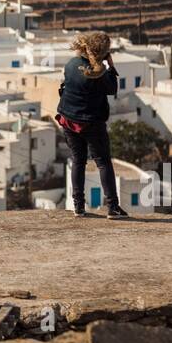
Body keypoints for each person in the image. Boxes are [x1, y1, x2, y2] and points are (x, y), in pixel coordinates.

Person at [55, 31, 128, 219]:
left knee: (78, 160)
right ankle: (112, 207)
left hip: (69, 120)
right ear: (104, 53)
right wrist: (110, 67)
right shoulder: (100, 74)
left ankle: (78, 206)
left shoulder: (71, 64)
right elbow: (112, 89)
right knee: (103, 162)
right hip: (91, 123)